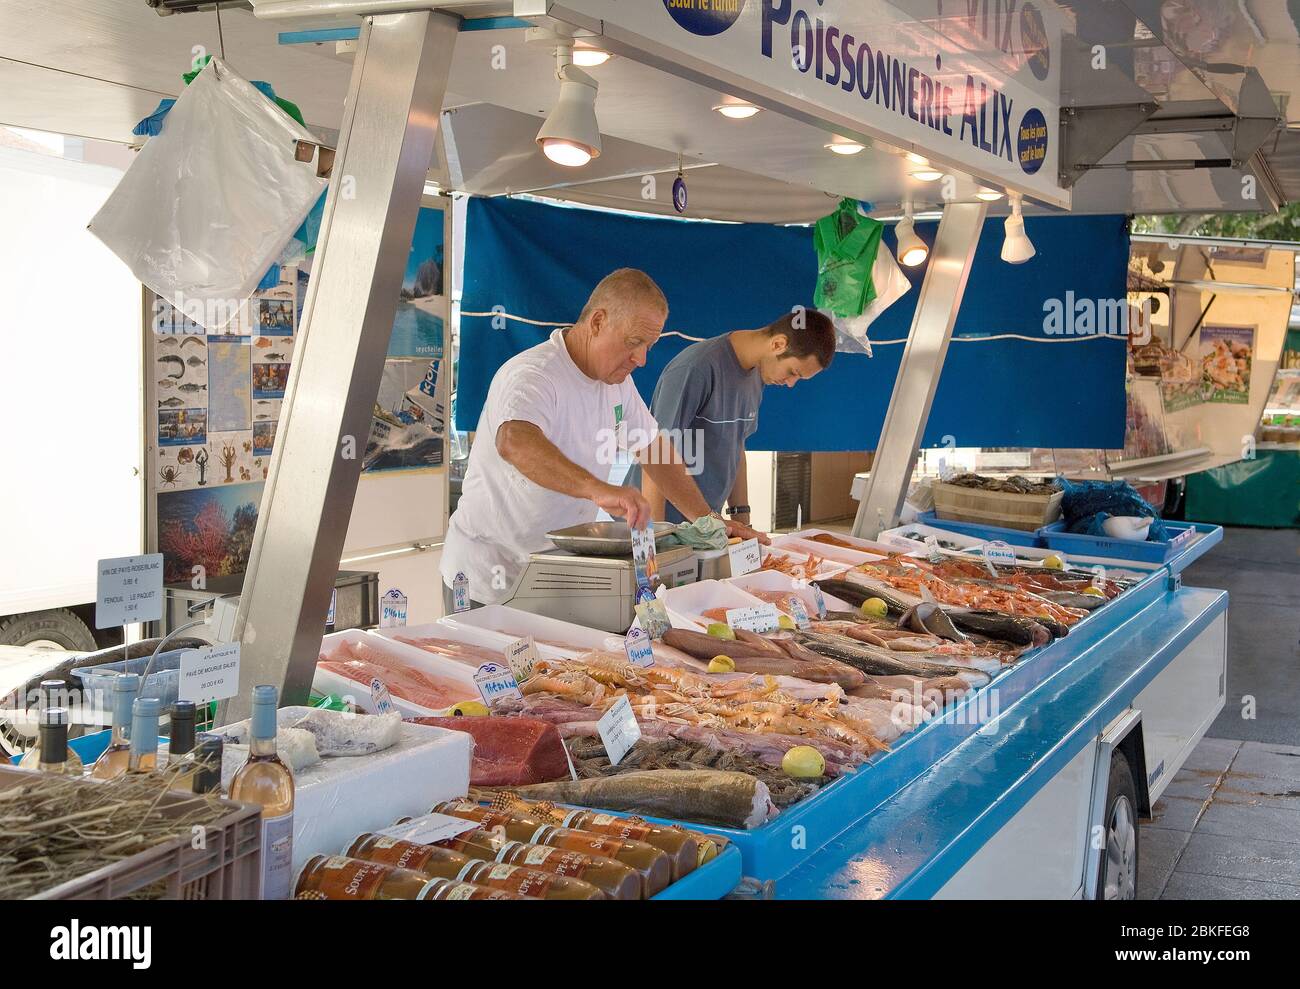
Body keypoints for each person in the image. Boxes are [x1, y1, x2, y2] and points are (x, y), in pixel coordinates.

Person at [440, 268, 766, 610]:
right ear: (597, 322)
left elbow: (654, 449)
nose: (641, 359)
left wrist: (706, 519)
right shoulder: (534, 374)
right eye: (634, 342)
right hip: (486, 577)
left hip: (554, 571)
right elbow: (515, 441)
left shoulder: (617, 384)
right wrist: (599, 489)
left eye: (649, 346)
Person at [638, 309, 836, 525]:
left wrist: (742, 522)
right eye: (793, 372)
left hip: (703, 526)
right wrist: (654, 538)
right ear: (778, 344)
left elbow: (736, 446)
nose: (790, 384)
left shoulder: (757, 376)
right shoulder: (697, 367)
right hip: (656, 522)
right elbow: (654, 452)